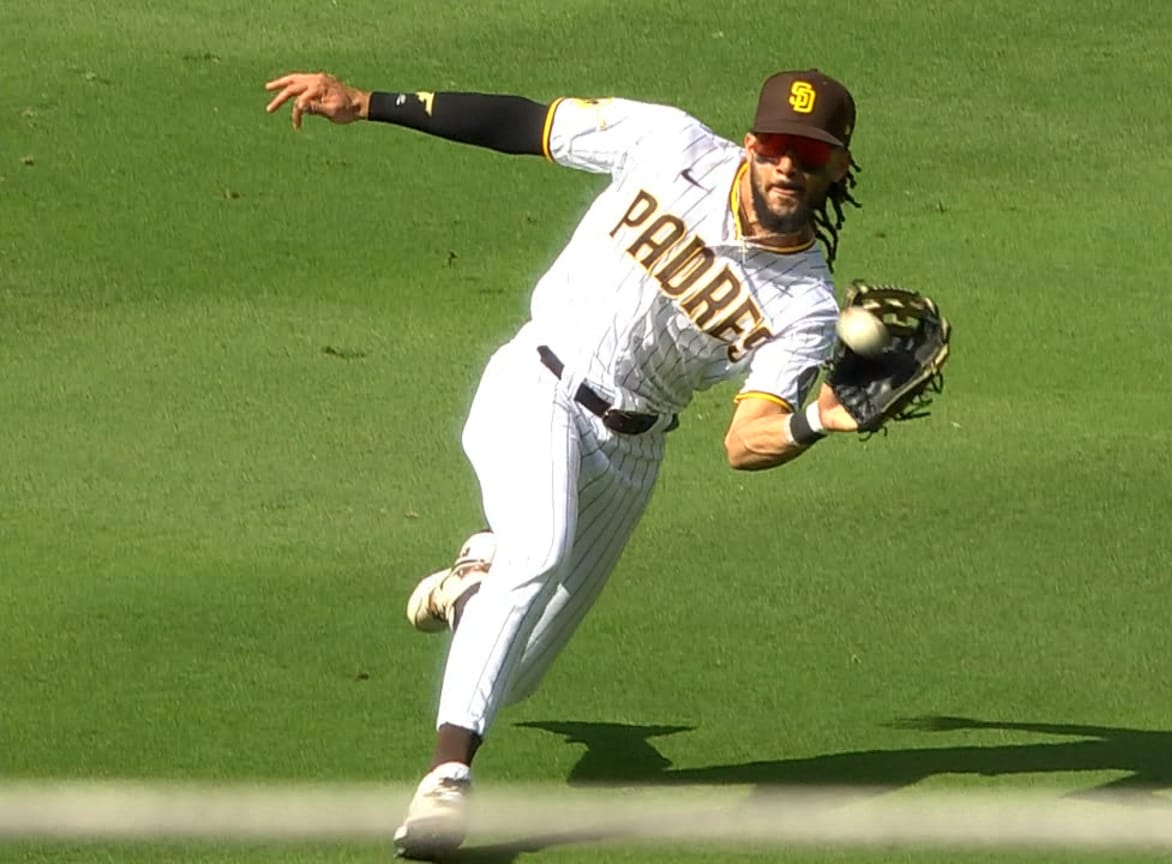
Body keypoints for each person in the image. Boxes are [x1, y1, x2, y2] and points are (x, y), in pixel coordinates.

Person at [263, 68, 867, 858]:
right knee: (539, 550)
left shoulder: (806, 304)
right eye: (778, 145)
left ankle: (474, 584)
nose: (789, 165)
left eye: (810, 155)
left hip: (634, 452)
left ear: (837, 168)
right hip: (538, 383)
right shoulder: (669, 143)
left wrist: (820, 418)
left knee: (514, 673)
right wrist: (371, 105)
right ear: (752, 143)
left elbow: (744, 441)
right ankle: (446, 781)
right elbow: (526, 123)